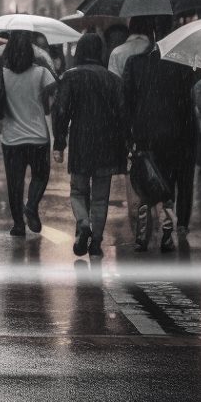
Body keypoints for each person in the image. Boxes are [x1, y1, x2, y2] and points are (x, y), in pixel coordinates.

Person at [122, 21, 196, 252]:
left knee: (146, 186)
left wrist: (129, 134)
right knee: (166, 187)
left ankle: (142, 236)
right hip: (175, 136)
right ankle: (166, 235)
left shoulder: (135, 64)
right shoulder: (182, 67)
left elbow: (126, 103)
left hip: (145, 136)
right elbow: (187, 105)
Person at [51, 33, 127, 257]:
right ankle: (96, 242)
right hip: (107, 142)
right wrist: (126, 143)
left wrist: (59, 142)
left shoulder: (71, 77)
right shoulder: (113, 79)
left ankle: (83, 223)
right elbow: (123, 114)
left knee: (77, 191)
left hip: (81, 140)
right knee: (101, 197)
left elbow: (61, 111)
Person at [0, 31, 56, 236]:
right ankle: (31, 205)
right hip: (39, 136)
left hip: (12, 139)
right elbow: (54, 92)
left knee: (15, 183)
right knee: (40, 176)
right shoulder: (42, 73)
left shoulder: (1, 74)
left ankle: (18, 225)